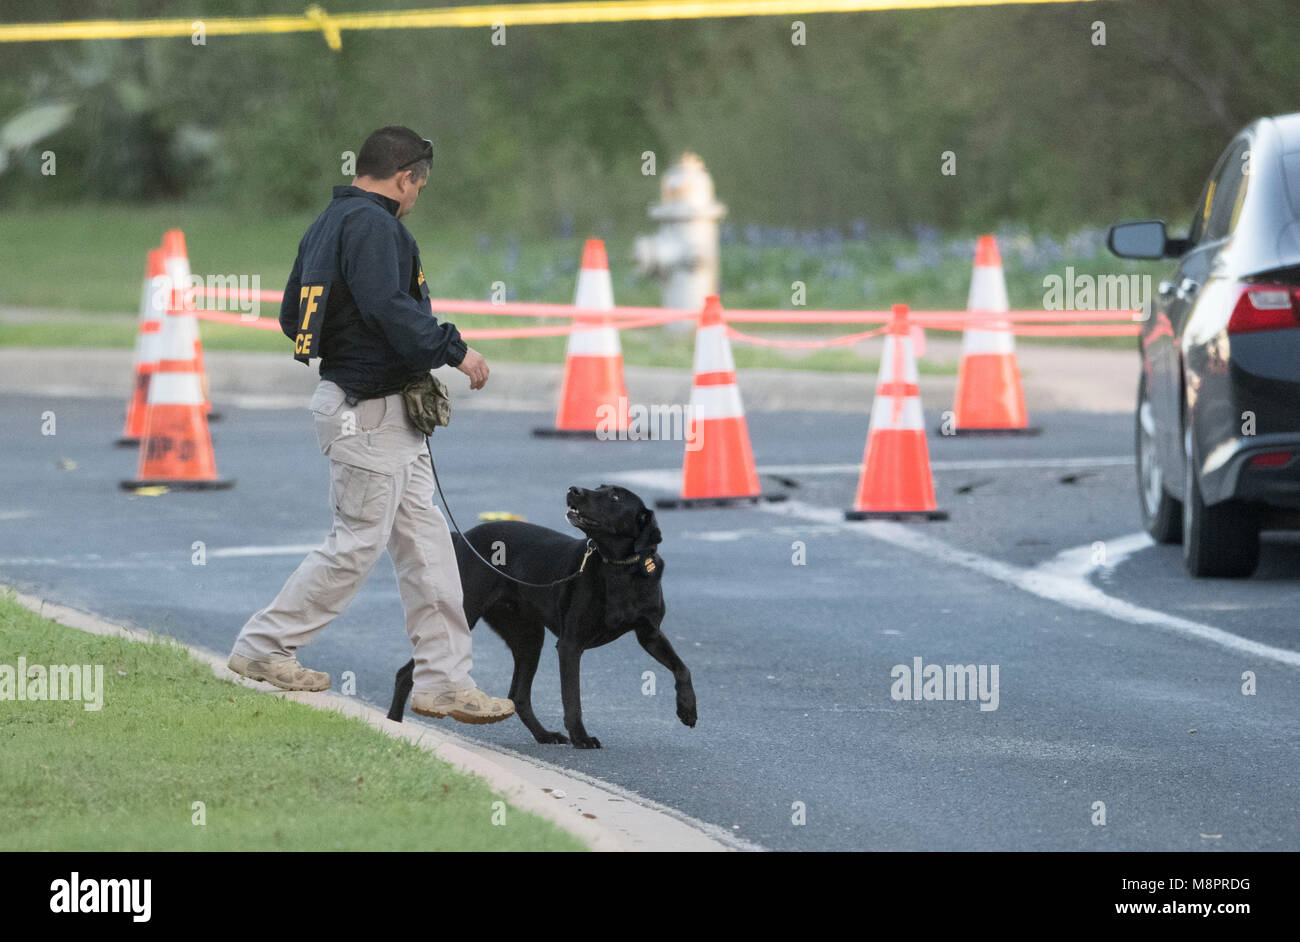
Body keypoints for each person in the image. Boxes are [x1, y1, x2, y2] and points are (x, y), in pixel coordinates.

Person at [227, 125, 514, 725]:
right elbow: (390, 308)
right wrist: (455, 351)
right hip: (370, 410)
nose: (417, 197)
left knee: (428, 547)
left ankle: (444, 681)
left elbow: (291, 317)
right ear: (406, 175)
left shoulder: (327, 224)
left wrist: (356, 346)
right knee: (356, 544)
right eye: (419, 185)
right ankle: (262, 647)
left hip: (372, 407)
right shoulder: (377, 226)